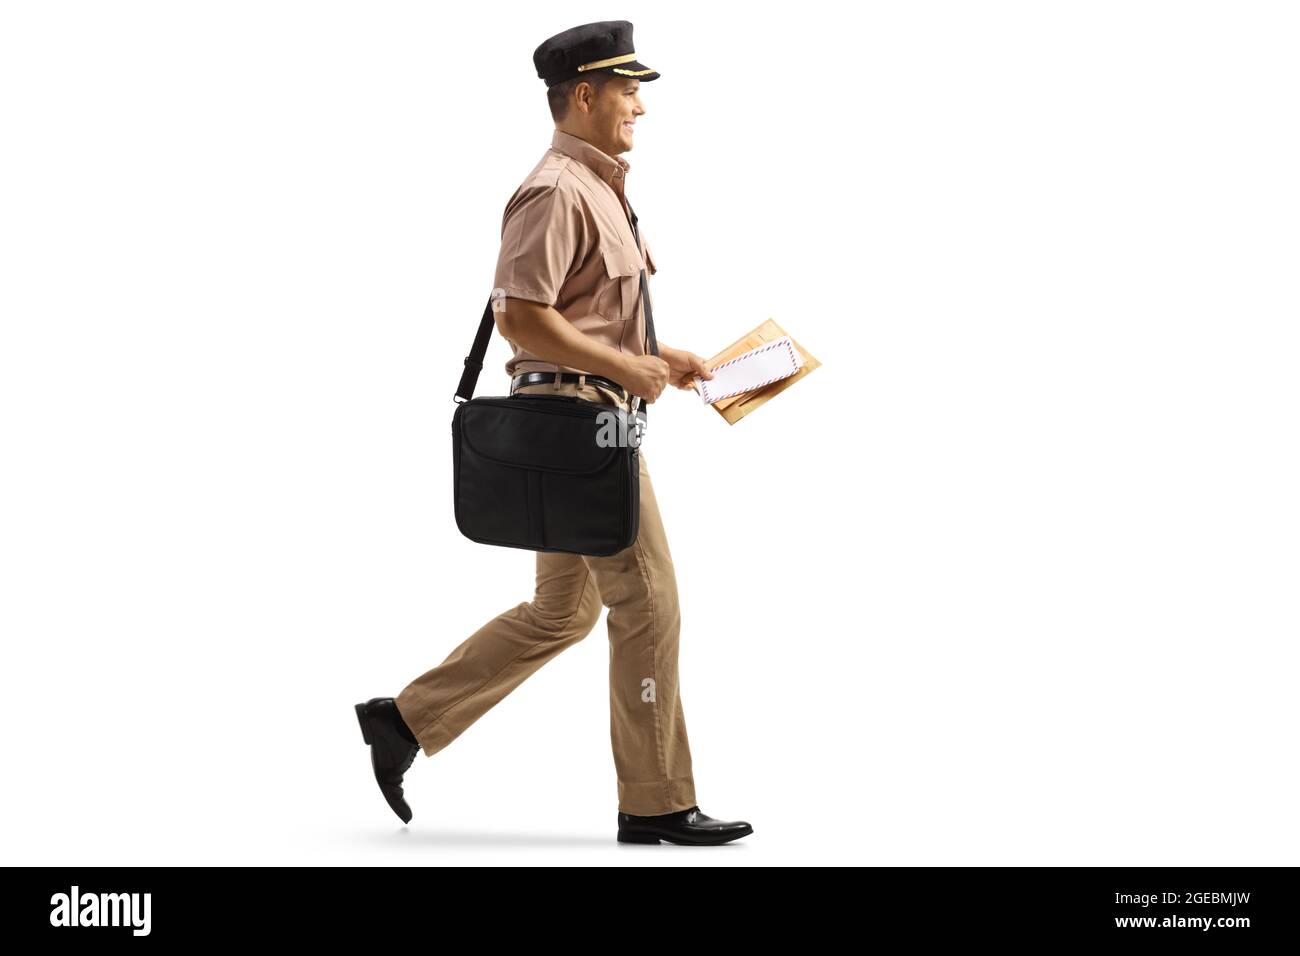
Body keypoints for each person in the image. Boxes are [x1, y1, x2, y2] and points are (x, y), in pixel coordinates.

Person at [355, 20, 753, 846]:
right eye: (627, 88)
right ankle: (655, 804)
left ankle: (404, 720)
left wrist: (657, 360)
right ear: (584, 94)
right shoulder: (554, 190)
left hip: (590, 418)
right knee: (648, 604)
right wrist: (621, 366)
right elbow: (521, 318)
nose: (638, 103)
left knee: (559, 613)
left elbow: (582, 313)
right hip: (583, 434)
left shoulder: (604, 188)